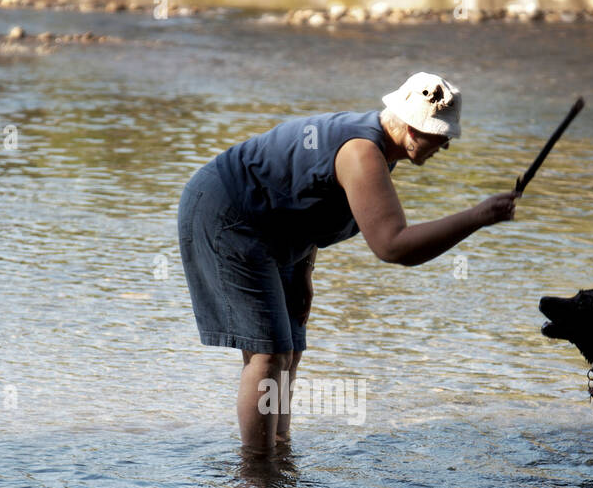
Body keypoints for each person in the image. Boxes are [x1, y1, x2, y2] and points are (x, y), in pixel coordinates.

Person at [177, 72, 518, 456]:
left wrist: (305, 272)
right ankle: (257, 474)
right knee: (269, 352)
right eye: (438, 134)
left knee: (290, 349)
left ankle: (278, 450)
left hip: (278, 230)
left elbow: (306, 195)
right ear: (408, 126)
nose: (444, 145)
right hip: (228, 214)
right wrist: (477, 216)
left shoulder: (377, 150)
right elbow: (393, 247)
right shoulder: (361, 152)